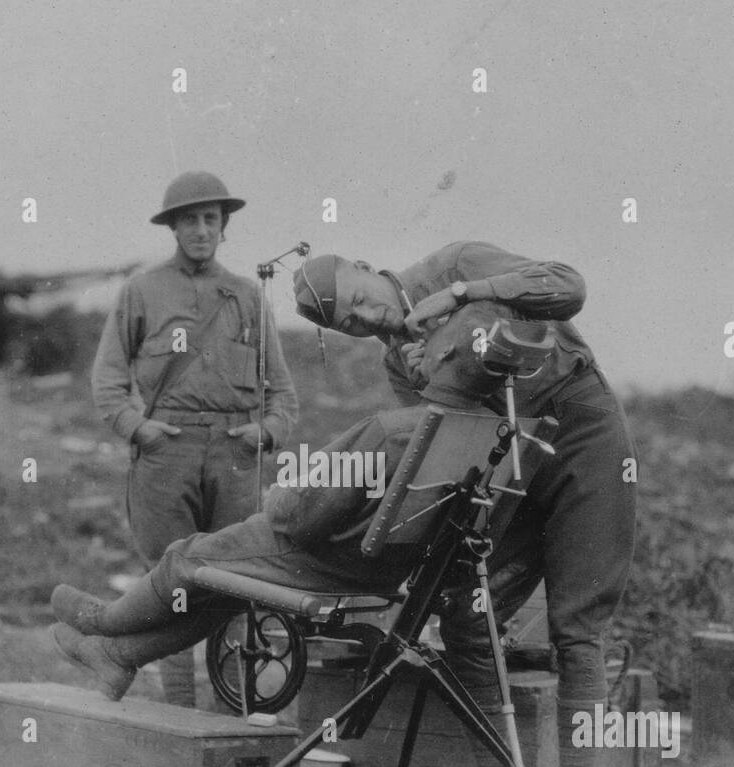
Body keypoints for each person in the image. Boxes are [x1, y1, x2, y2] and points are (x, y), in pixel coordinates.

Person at [293, 242, 637, 767]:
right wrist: (438, 383)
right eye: (350, 323)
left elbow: (567, 282)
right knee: (467, 616)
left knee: (577, 628)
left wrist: (464, 296)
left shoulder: (458, 265)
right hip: (513, 459)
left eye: (361, 301)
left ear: (368, 269)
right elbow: (450, 441)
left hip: (582, 432)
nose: (368, 320)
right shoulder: (399, 364)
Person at [51, 302, 548, 705]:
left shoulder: (392, 432)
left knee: (187, 558)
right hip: (384, 571)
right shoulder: (500, 434)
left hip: (318, 558)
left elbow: (299, 520)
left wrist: (281, 495)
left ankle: (104, 624)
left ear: (442, 358)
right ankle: (118, 656)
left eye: (433, 340)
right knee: (228, 588)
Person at [90, 171, 298, 708]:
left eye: (210, 219)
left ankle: (238, 714)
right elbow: (108, 379)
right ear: (174, 227)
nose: (201, 229)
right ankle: (177, 716)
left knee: (241, 584)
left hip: (235, 455)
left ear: (223, 227)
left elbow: (283, 393)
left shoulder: (250, 296)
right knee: (169, 589)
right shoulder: (142, 290)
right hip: (168, 453)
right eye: (190, 220)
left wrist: (267, 433)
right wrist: (139, 429)